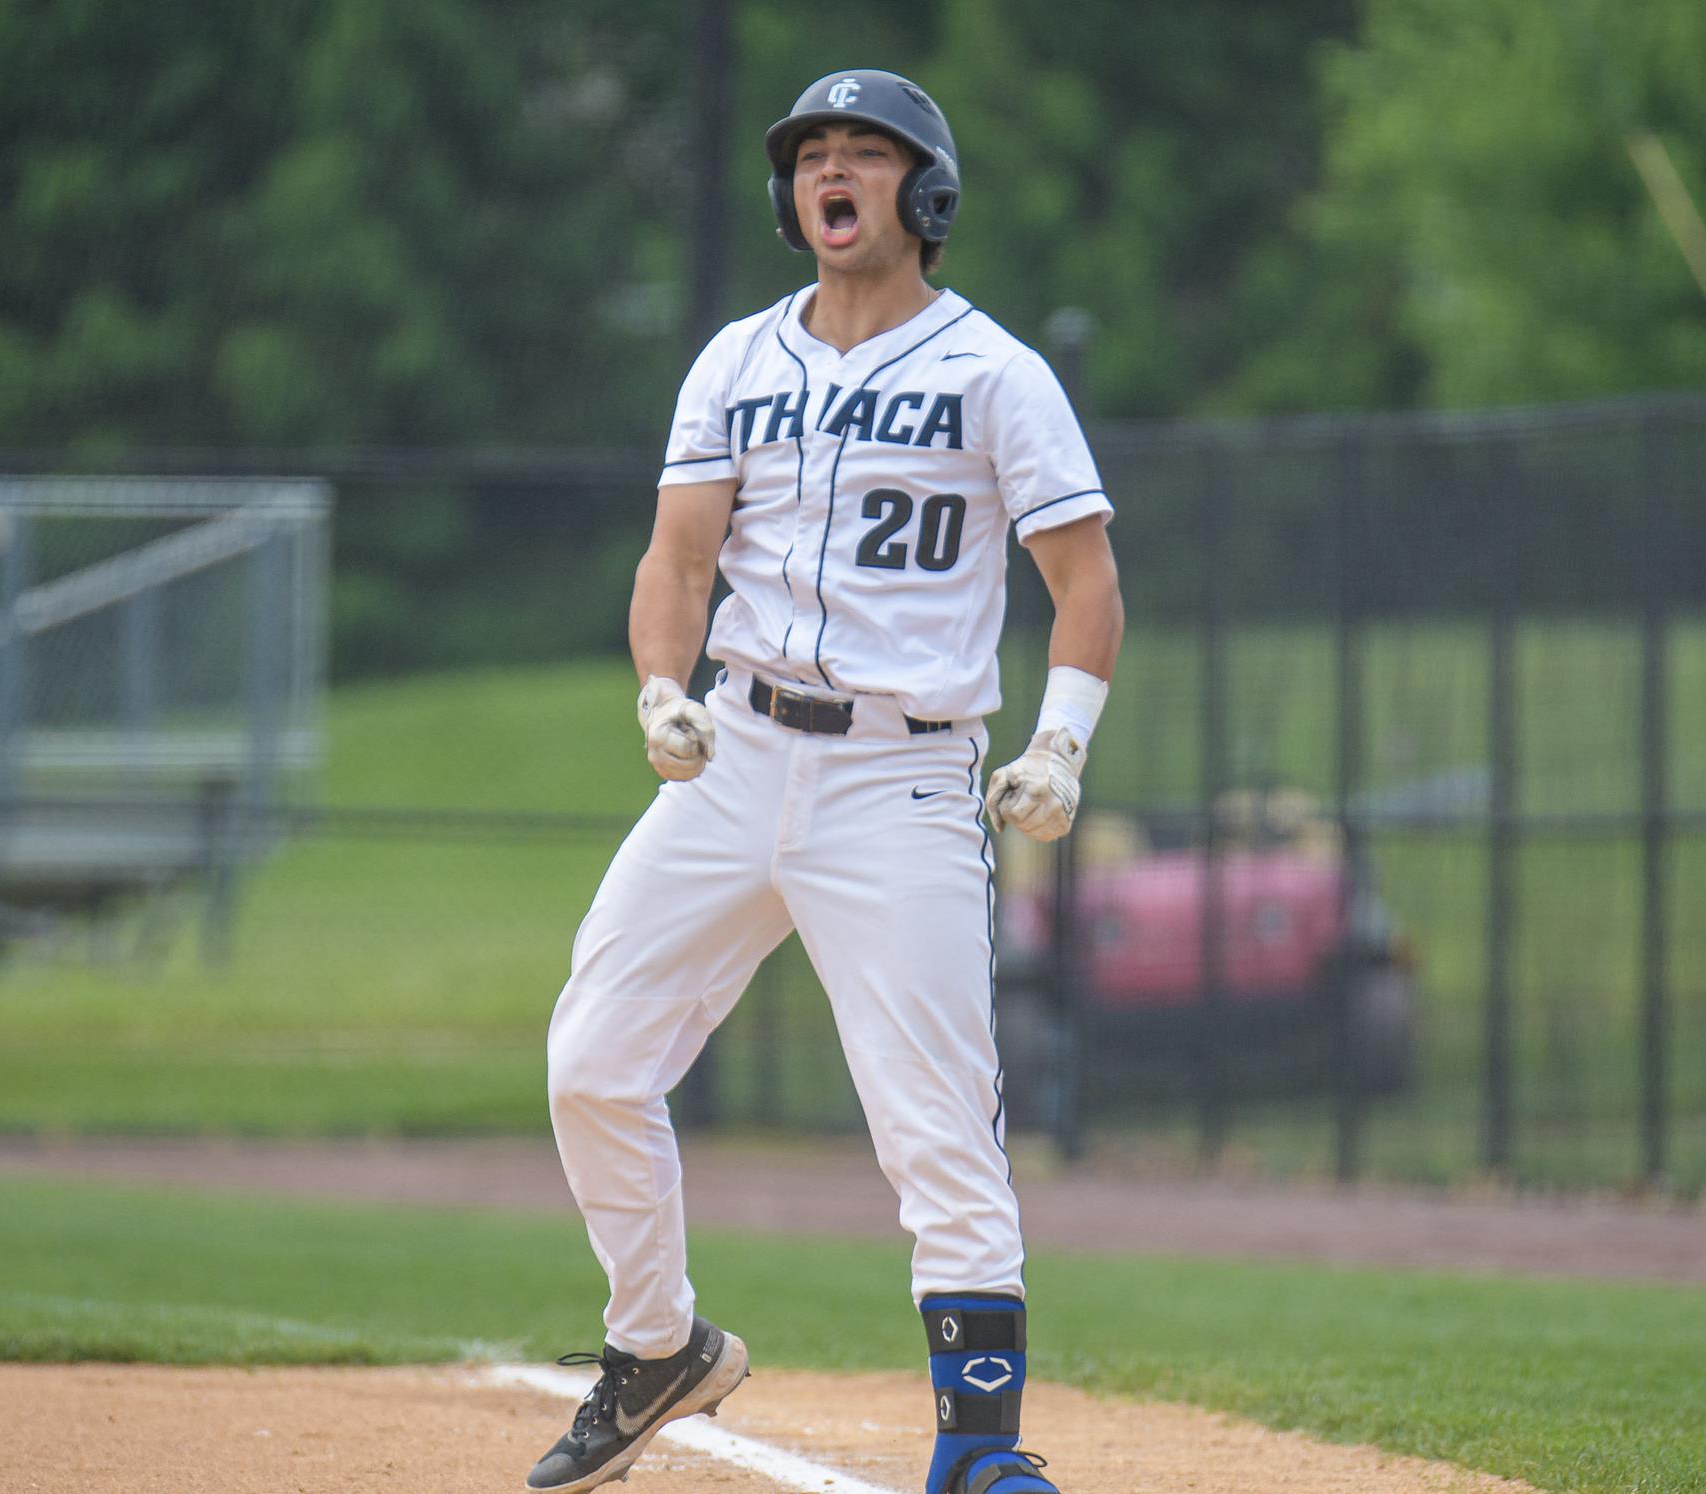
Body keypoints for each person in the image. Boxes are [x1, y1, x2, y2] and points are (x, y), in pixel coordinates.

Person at [528, 68, 1123, 1494]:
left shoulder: (992, 371)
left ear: (927, 195)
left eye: (867, 152)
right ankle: (656, 1343)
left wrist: (1061, 742)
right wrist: (661, 690)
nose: (834, 174)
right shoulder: (736, 361)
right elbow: (675, 562)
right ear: (790, 197)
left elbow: (1084, 577)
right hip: (736, 759)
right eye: (812, 157)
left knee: (936, 1123)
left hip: (900, 783)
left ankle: (979, 1454)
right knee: (592, 1061)